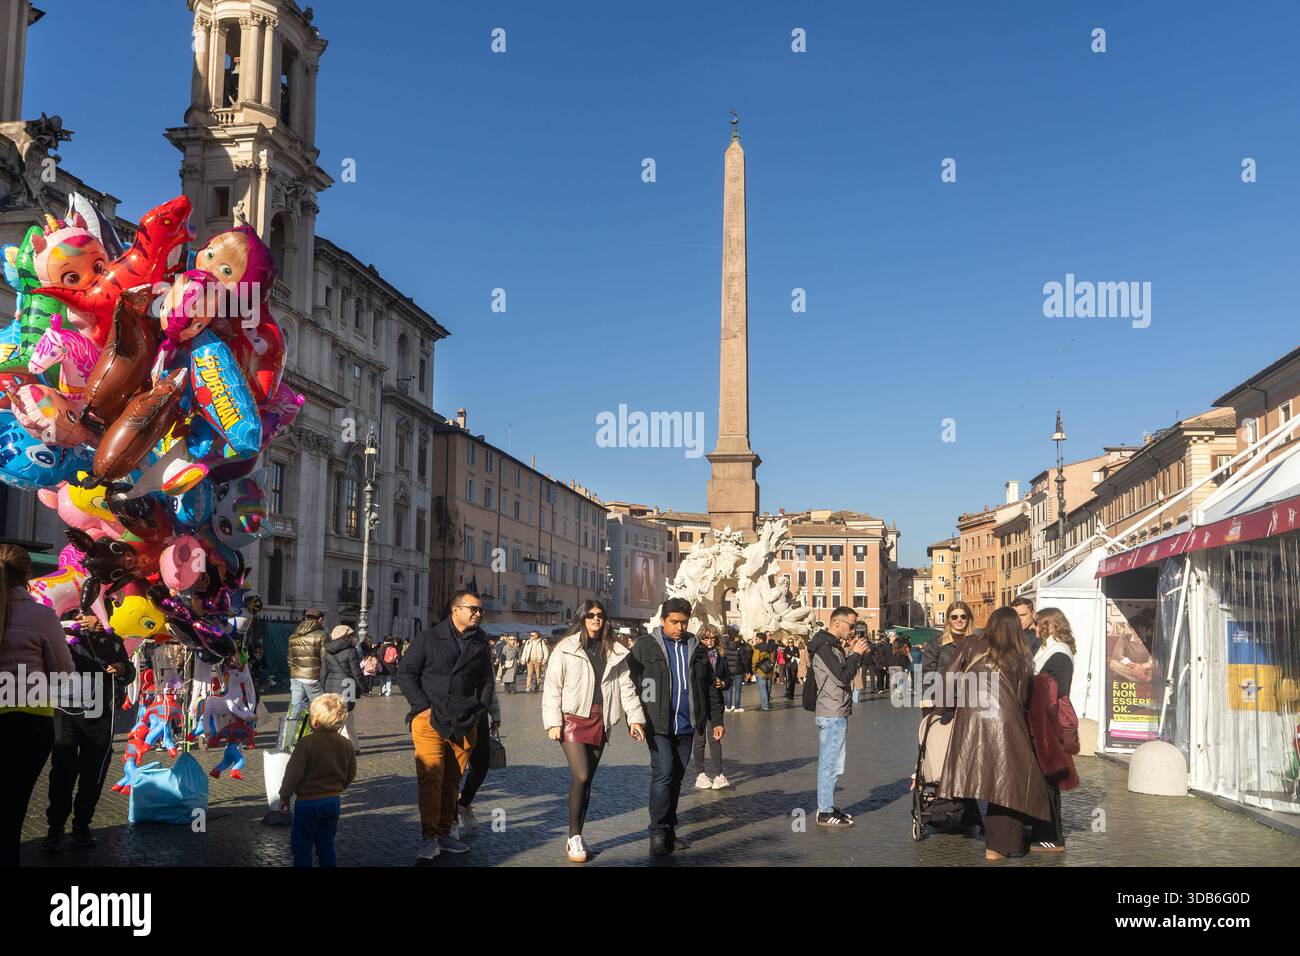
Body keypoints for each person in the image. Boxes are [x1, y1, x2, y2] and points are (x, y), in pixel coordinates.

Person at [936, 606, 1052, 861]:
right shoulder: (1020, 655)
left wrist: (941, 708)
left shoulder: (970, 643)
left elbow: (948, 678)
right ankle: (1000, 846)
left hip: (971, 721)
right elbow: (1023, 696)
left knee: (991, 780)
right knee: (1007, 783)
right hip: (1007, 721)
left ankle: (996, 847)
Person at [543, 600, 645, 862]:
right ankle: (573, 837)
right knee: (582, 773)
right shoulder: (565, 648)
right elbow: (553, 686)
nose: (596, 620)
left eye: (600, 616)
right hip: (572, 718)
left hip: (602, 718)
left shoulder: (616, 652)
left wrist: (635, 719)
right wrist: (553, 722)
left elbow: (627, 688)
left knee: (586, 781)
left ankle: (576, 835)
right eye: (590, 616)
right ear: (582, 618)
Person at [397, 590, 495, 861]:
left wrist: (479, 709)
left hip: (465, 721)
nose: (477, 613)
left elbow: (488, 680)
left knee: (452, 781)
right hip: (430, 719)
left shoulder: (480, 640)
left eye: (479, 610)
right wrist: (422, 707)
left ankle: (444, 833)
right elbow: (405, 672)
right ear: (455, 609)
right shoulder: (428, 637)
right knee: (431, 778)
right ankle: (429, 836)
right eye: (472, 608)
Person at [627, 598, 725, 856]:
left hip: (687, 725)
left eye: (684, 622)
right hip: (657, 724)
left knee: (678, 777)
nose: (680, 627)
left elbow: (709, 686)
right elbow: (629, 684)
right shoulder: (645, 646)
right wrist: (634, 717)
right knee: (664, 773)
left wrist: (717, 720)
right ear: (662, 621)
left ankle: (670, 830)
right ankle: (657, 832)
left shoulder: (697, 647)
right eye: (674, 622)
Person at [0, 545, 75, 867]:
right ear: (28, 575)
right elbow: (64, 675)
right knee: (12, 808)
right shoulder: (42, 615)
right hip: (28, 721)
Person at [43, 611, 134, 852]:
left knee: (93, 774)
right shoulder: (63, 634)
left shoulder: (114, 641)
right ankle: (55, 828)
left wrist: (123, 668)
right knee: (62, 771)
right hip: (65, 711)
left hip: (99, 715)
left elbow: (130, 671)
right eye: (81, 612)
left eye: (91, 613)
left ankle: (82, 826)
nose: (84, 617)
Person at [277, 693, 357, 867]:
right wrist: (340, 787)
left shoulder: (306, 744)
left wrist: (284, 795)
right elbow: (351, 772)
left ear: (314, 721)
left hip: (307, 803)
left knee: (302, 847)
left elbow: (293, 773)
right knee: (326, 844)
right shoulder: (346, 744)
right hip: (332, 801)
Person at [807, 607, 869, 828]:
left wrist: (851, 654)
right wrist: (855, 655)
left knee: (835, 763)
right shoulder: (825, 647)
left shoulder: (830, 646)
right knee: (830, 764)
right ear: (837, 623)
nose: (853, 631)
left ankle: (828, 805)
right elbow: (842, 676)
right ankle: (824, 812)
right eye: (851, 626)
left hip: (835, 710)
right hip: (831, 712)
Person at [1029, 607, 1078, 853]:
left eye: (1038, 624)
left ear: (1048, 625)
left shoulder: (1058, 653)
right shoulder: (1049, 649)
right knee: (1044, 780)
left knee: (1048, 780)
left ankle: (1052, 836)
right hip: (1044, 721)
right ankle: (1045, 831)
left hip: (1049, 725)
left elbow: (1054, 691)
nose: (1035, 628)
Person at [456, 681, 501, 837]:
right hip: (452, 711)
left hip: (478, 714)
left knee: (481, 765)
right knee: (453, 769)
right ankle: (449, 820)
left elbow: (488, 684)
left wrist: (495, 714)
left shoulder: (482, 655)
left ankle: (464, 802)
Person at [692, 625, 731, 790]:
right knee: (699, 739)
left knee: (715, 738)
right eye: (706, 638)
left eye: (712, 638)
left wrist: (722, 683)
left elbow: (728, 678)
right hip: (699, 701)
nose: (709, 641)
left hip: (715, 700)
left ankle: (718, 774)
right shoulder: (695, 655)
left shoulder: (720, 656)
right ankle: (700, 773)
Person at [320, 624, 365, 753]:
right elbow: (356, 672)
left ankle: (353, 746)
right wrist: (364, 688)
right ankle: (346, 748)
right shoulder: (351, 651)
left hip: (330, 687)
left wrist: (324, 689)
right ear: (346, 636)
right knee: (345, 717)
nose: (353, 637)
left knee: (341, 716)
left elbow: (323, 673)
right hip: (348, 687)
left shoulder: (327, 650)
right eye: (351, 635)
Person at [286, 608, 327, 722]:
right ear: (320, 619)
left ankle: (289, 734)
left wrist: (295, 672)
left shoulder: (293, 636)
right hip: (312, 677)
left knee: (295, 707)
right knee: (320, 707)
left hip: (296, 676)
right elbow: (324, 659)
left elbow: (290, 659)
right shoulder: (322, 635)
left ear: (305, 618)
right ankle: (320, 734)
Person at [723, 628, 750, 712]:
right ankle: (737, 707)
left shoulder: (725, 645)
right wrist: (748, 671)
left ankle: (728, 706)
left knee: (728, 689)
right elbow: (745, 660)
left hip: (728, 671)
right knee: (738, 690)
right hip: (738, 671)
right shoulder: (740, 646)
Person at [751, 631, 778, 711]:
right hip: (769, 670)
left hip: (760, 671)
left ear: (760, 639)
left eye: (757, 639)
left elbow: (755, 660)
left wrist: (753, 670)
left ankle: (764, 706)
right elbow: (773, 658)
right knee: (768, 688)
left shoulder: (757, 648)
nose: (756, 640)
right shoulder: (770, 647)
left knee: (762, 689)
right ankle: (765, 703)